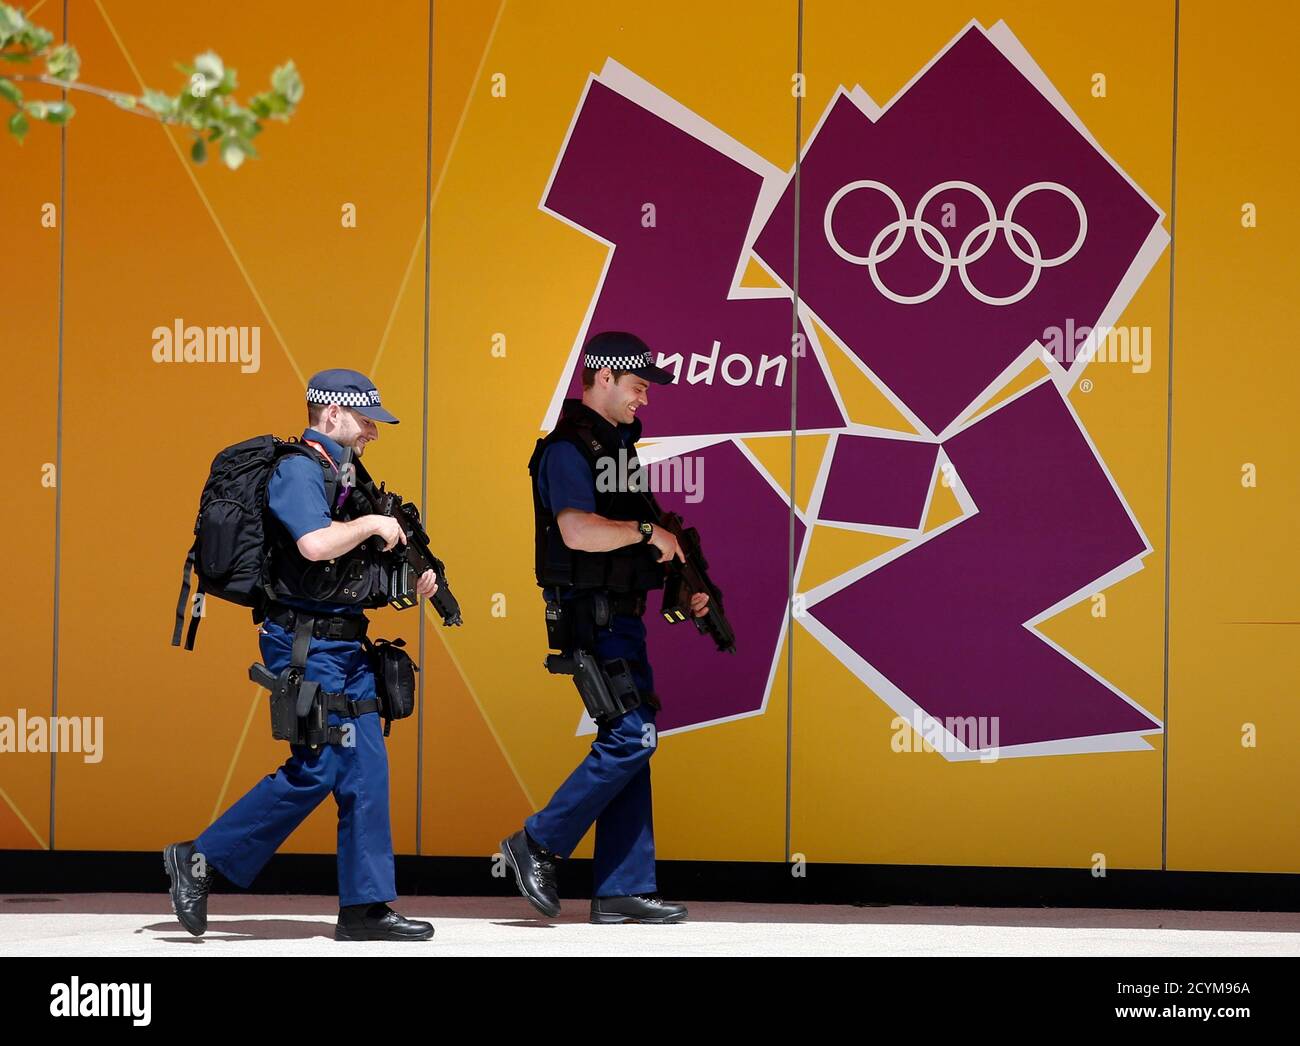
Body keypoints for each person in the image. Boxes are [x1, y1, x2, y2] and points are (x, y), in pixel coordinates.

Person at [164, 368, 438, 942]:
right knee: (320, 766)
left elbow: (347, 572)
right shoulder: (297, 469)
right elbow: (314, 546)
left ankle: (366, 907)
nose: (373, 433)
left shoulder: (346, 473)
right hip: (305, 643)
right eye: (366, 421)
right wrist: (370, 524)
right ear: (331, 414)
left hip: (346, 643)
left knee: (366, 767)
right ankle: (199, 859)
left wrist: (409, 586)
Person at [500, 331, 709, 925]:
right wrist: (649, 536)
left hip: (621, 618)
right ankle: (536, 842)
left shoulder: (617, 449)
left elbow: (642, 534)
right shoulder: (569, 448)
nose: (645, 398)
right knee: (632, 737)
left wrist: (684, 584)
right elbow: (577, 532)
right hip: (592, 621)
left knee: (633, 748)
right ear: (605, 378)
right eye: (639, 386)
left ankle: (622, 888)